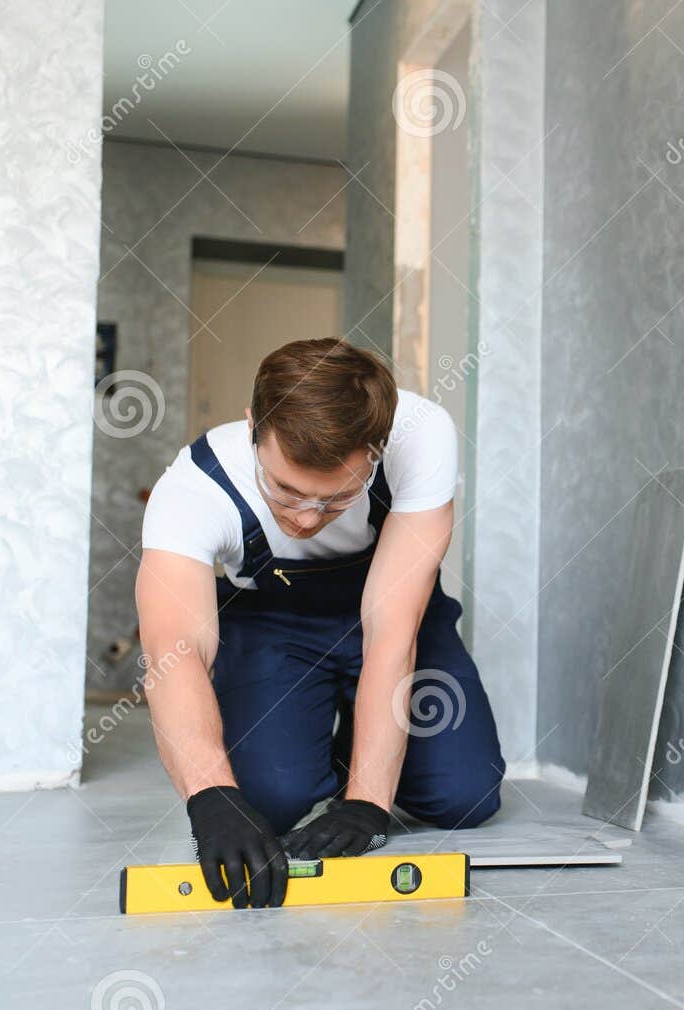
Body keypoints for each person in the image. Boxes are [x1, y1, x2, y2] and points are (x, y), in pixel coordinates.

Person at [134, 337, 504, 909]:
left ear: (377, 450)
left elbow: (392, 634)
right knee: (267, 799)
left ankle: (353, 742)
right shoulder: (194, 488)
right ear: (255, 426)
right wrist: (209, 796)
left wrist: (367, 802)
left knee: (466, 795)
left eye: (336, 499)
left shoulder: (421, 436)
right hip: (271, 625)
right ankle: (309, 739)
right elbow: (173, 648)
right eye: (285, 491)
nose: (308, 518)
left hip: (388, 618)